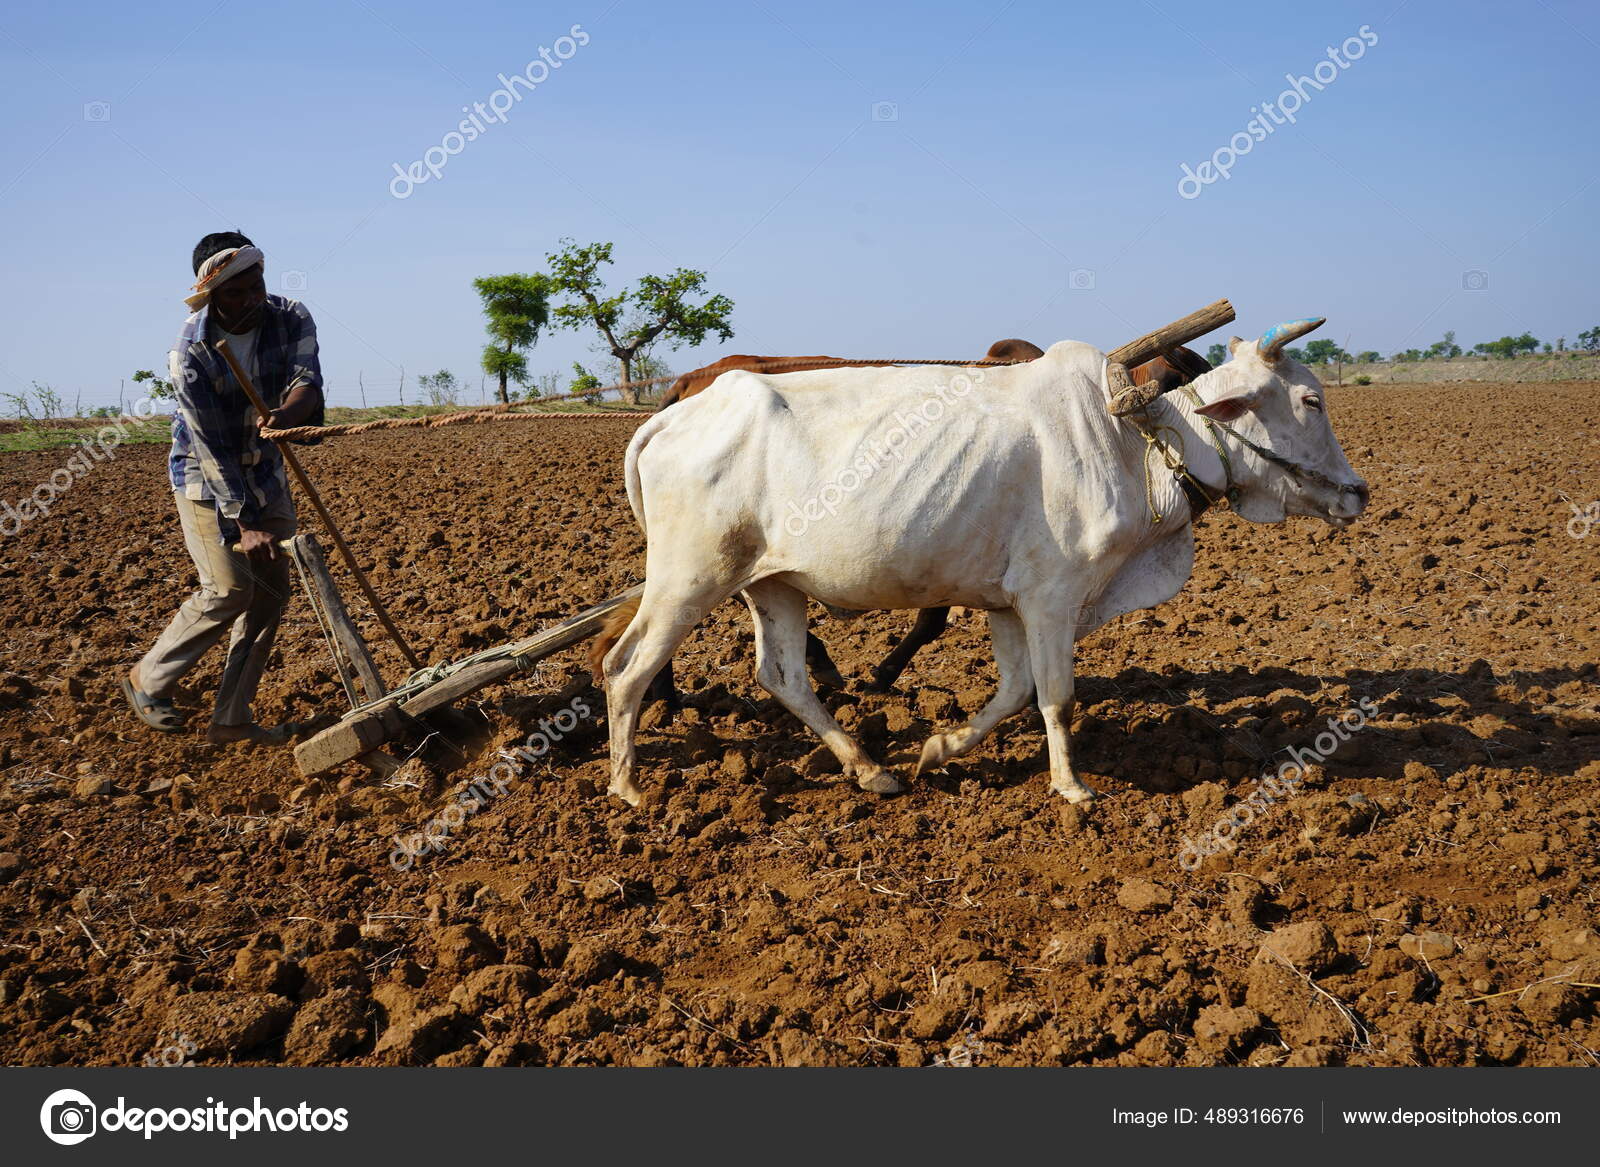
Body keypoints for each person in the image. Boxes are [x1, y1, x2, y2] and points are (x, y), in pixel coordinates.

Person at [122, 231, 325, 744]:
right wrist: (247, 523)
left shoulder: (291, 315)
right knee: (231, 588)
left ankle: (232, 719)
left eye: (255, 285)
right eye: (234, 293)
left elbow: (308, 379)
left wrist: (286, 414)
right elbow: (210, 447)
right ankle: (149, 677)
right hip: (206, 483)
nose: (250, 300)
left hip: (266, 469)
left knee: (270, 596)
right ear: (211, 294)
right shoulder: (190, 353)